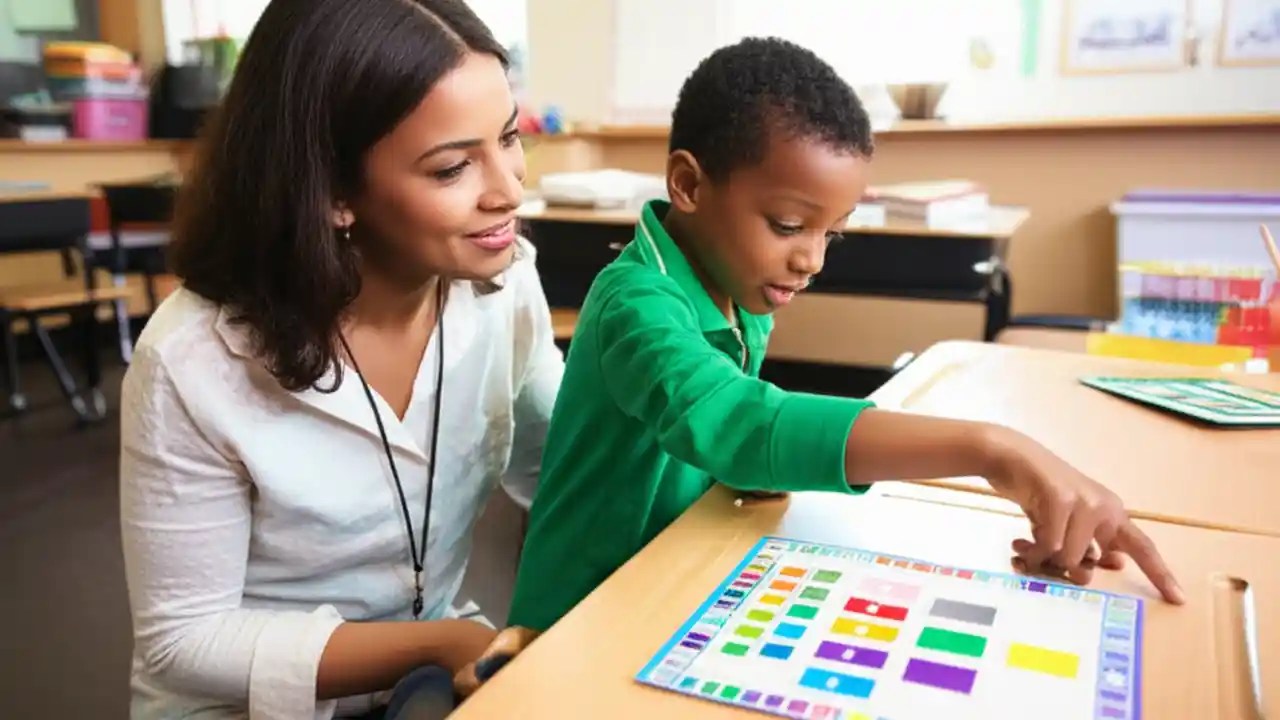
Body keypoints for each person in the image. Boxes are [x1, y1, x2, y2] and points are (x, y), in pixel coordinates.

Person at [503, 37, 1184, 642]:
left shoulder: (740, 291)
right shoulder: (636, 303)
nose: (813, 260)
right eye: (789, 224)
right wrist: (992, 449)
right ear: (687, 184)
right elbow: (735, 425)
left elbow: (734, 455)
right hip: (574, 621)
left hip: (672, 576)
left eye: (831, 232)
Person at [117, 1, 562, 718]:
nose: (509, 189)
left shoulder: (503, 290)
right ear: (332, 193)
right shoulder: (192, 359)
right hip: (247, 702)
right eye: (453, 167)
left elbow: (563, 471)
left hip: (435, 671)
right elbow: (185, 641)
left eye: (508, 138)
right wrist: (435, 645)